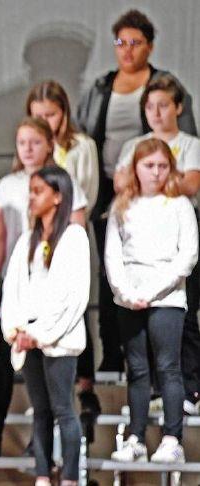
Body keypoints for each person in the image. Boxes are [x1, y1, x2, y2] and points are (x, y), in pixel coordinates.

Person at [76, 8, 198, 373]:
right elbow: (88, 138)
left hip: (161, 198)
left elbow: (187, 167)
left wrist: (155, 180)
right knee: (111, 272)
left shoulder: (165, 85)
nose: (127, 49)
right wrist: (125, 183)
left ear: (149, 46)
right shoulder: (102, 86)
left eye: (135, 42)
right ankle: (114, 354)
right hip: (116, 195)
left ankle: (176, 371)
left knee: (171, 279)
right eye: (120, 42)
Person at [0, 117, 88, 457]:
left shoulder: (64, 184)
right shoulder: (9, 184)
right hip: (18, 285)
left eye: (35, 142)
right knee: (2, 360)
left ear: (49, 145)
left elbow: (75, 236)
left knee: (56, 394)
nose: (27, 149)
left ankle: (55, 457)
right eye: (21, 142)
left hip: (53, 291)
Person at [106, 139, 198, 464]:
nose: (156, 172)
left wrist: (155, 290)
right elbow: (113, 255)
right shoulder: (123, 204)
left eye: (162, 166)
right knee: (137, 370)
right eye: (149, 166)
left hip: (168, 297)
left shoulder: (180, 205)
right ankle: (136, 438)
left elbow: (187, 255)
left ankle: (172, 438)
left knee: (168, 366)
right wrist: (127, 292)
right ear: (136, 168)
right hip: (130, 297)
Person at [113, 76, 200, 413]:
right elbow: (121, 182)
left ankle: (190, 390)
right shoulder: (133, 144)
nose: (156, 113)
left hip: (177, 234)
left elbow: (190, 183)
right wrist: (163, 180)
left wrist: (153, 180)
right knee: (141, 322)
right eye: (150, 106)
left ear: (178, 107)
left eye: (163, 105)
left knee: (184, 316)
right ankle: (149, 394)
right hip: (140, 239)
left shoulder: (190, 144)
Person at [1, 165, 90, 486]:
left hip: (58, 337)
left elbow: (73, 295)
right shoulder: (27, 239)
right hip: (27, 336)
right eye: (31, 191)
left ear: (57, 196)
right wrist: (16, 330)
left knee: (64, 408)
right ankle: (42, 475)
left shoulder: (74, 236)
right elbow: (11, 288)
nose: (31, 197)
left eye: (38, 191)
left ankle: (69, 478)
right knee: (40, 411)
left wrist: (39, 334)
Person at [27, 80, 99, 210]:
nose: (44, 122)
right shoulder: (27, 146)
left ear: (63, 113)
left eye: (50, 115)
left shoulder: (83, 146)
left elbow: (88, 195)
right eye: (38, 116)